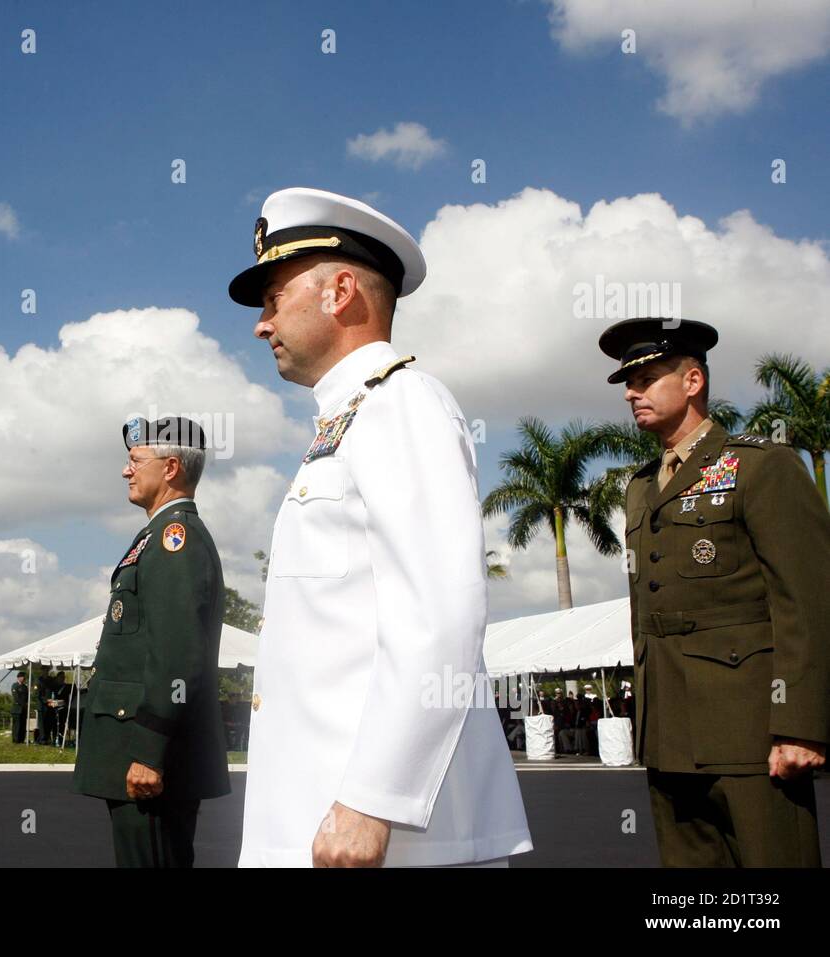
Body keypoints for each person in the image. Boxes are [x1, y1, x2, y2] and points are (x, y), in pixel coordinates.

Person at [229, 188, 532, 867]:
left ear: (339, 292)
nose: (260, 324)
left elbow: (440, 611)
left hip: (387, 835)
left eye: (272, 298)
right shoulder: (350, 419)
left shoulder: (402, 403)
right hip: (330, 820)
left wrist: (375, 798)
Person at [600, 316, 829, 867]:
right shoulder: (640, 486)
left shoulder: (762, 466)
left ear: (693, 381)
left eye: (648, 378)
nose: (633, 394)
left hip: (751, 731)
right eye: (629, 384)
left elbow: (808, 600)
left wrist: (800, 725)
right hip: (669, 734)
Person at [70, 416, 232, 867]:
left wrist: (148, 752)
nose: (126, 471)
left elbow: (177, 654)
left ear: (170, 468)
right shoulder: (157, 537)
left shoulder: (174, 539)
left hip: (150, 760)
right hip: (141, 755)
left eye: (135, 461)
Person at [9, 672, 28, 744]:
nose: (24, 678)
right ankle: (15, 739)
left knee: (23, 724)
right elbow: (16, 697)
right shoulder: (15, 686)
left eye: (24, 677)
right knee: (17, 725)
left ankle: (21, 739)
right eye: (22, 677)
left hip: (23, 709)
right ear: (19, 677)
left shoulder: (25, 687)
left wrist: (25, 705)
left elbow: (26, 697)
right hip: (17, 708)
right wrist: (23, 704)